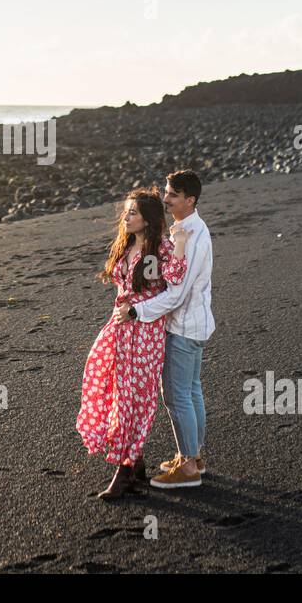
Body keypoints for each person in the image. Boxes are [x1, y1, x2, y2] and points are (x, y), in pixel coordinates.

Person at [76, 187, 188, 500]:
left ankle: (124, 473)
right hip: (120, 328)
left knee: (135, 399)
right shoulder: (127, 246)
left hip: (146, 332)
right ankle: (134, 462)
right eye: (126, 211)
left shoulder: (161, 248)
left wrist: (179, 244)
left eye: (133, 212)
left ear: (149, 219)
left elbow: (176, 280)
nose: (126, 216)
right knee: (111, 387)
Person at [114, 169, 213, 490]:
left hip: (184, 326)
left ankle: (187, 467)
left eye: (172, 194)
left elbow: (177, 293)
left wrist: (137, 311)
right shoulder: (184, 231)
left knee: (176, 396)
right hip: (192, 324)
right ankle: (194, 457)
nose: (166, 199)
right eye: (167, 193)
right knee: (192, 391)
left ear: (190, 200)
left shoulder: (193, 236)